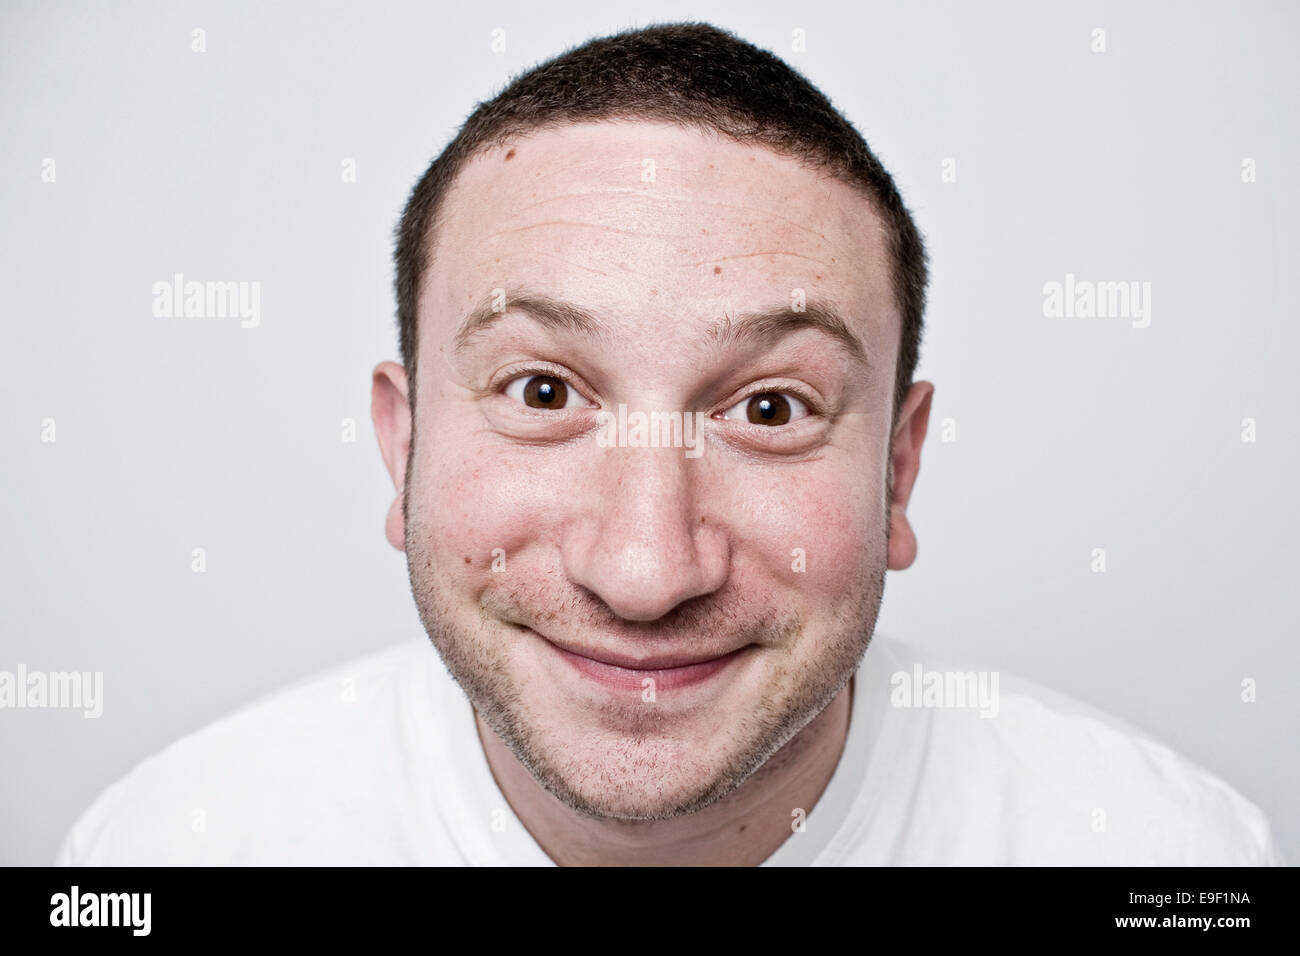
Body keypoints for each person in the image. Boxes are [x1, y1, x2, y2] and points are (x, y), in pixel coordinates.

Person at [56, 21, 1281, 866]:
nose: (646, 571)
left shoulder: (1172, 861)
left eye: (768, 409)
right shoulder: (171, 845)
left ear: (898, 470)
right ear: (404, 441)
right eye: (543, 390)